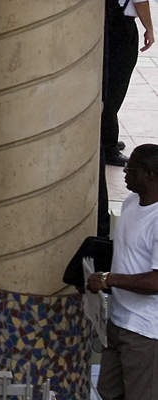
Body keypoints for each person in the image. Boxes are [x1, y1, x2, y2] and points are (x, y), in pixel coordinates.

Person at [87, 143, 158, 398]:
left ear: (151, 175)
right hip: (117, 321)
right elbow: (127, 252)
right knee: (108, 391)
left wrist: (108, 280)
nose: (124, 172)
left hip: (145, 332)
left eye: (132, 169)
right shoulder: (130, 202)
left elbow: (155, 282)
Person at [105, 0, 156, 167]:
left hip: (99, 23)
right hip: (123, 29)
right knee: (116, 87)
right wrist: (148, 29)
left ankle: (104, 133)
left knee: (102, 81)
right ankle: (108, 146)